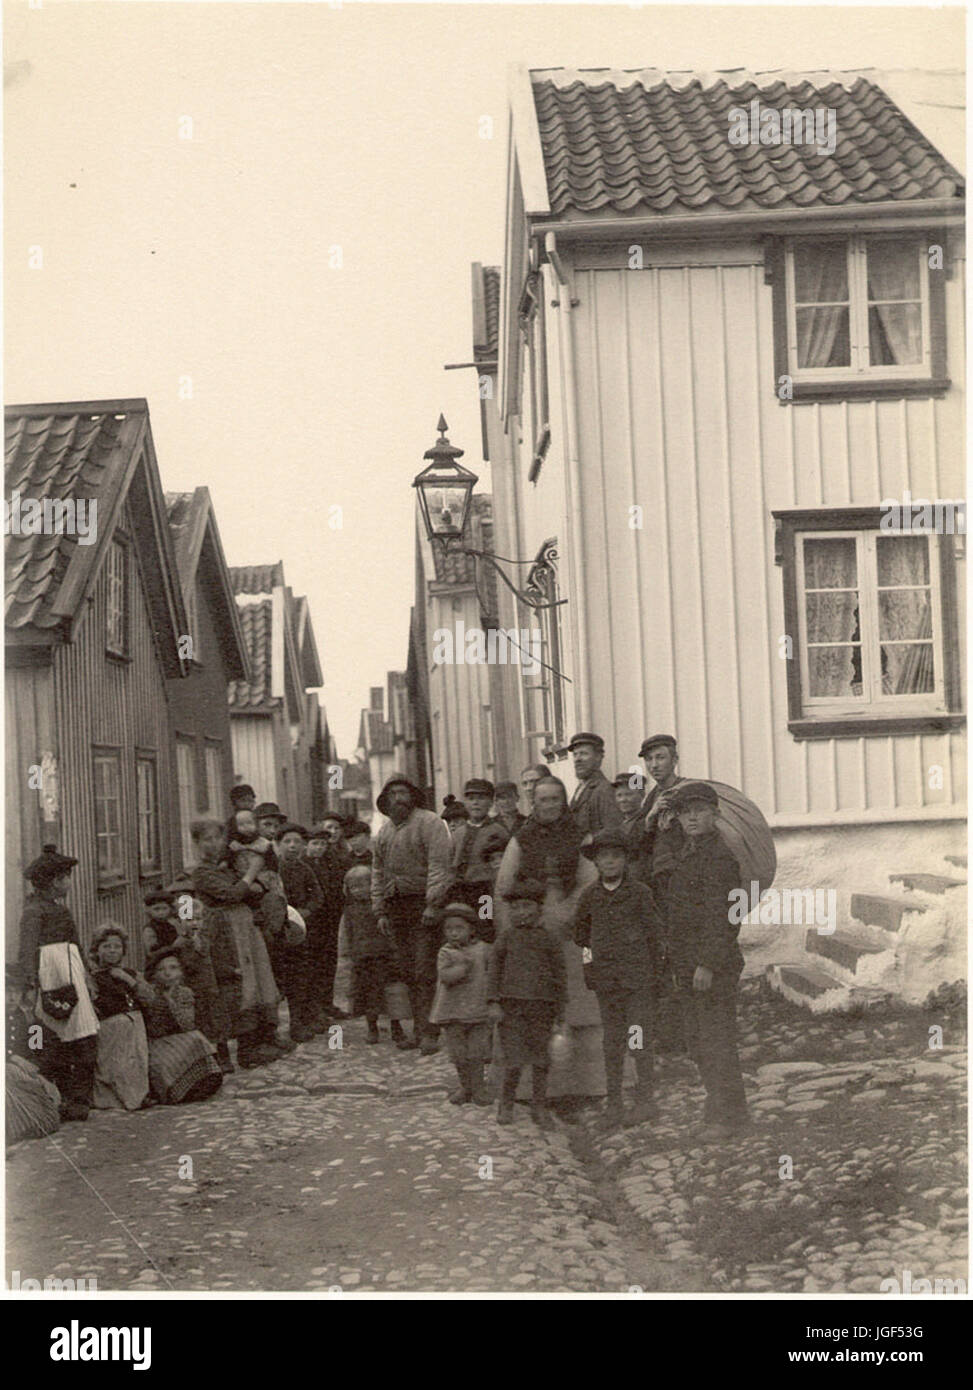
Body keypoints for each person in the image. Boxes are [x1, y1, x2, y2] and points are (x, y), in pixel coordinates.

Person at [493, 777, 602, 1109]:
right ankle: (531, 1090)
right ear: (534, 803)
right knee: (534, 1005)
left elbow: (591, 880)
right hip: (534, 933)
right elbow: (503, 887)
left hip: (572, 932)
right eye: (543, 799)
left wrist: (572, 911)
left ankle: (587, 1085)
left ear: (564, 801)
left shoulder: (580, 836)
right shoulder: (521, 840)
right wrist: (519, 927)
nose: (550, 805)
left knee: (577, 1002)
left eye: (556, 798)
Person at [666, 782, 748, 1140]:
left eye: (700, 810)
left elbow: (725, 916)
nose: (692, 817)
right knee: (698, 1040)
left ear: (715, 814)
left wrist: (708, 964)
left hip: (712, 966)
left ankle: (728, 1117)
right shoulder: (690, 852)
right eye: (686, 812)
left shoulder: (721, 858)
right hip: (687, 962)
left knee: (716, 1039)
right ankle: (722, 1107)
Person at [574, 829, 663, 1132]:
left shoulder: (640, 893)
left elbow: (655, 936)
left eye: (616, 856)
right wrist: (591, 968)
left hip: (638, 981)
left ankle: (645, 1099)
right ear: (595, 862)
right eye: (603, 857)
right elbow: (582, 939)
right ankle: (614, 1103)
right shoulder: (589, 897)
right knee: (612, 1041)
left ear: (625, 860)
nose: (610, 862)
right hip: (607, 982)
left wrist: (655, 975)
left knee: (638, 1037)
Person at [190, 820, 284, 1069]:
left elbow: (250, 890)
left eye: (217, 838)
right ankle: (236, 1053)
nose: (213, 844)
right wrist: (251, 872)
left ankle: (254, 1044)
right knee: (237, 985)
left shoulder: (223, 868)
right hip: (225, 931)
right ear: (197, 843)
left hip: (244, 927)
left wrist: (245, 884)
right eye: (206, 840)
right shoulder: (201, 872)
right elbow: (232, 894)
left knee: (256, 980)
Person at [17, 845, 99, 1122]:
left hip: (70, 972)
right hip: (50, 976)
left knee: (84, 1034)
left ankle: (81, 1098)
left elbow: (75, 943)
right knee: (55, 1037)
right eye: (66, 878)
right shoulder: (34, 912)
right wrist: (29, 984)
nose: (68, 882)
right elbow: (27, 950)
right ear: (54, 882)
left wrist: (86, 974)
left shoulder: (60, 909)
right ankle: (62, 1097)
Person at [371, 776, 452, 1055]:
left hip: (422, 905)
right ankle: (418, 1030)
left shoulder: (430, 823)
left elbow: (439, 865)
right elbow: (377, 872)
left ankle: (430, 1031)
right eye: (392, 793)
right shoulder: (384, 833)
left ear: (413, 796)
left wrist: (433, 903)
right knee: (407, 972)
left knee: (424, 969)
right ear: (385, 800)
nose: (398, 798)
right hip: (396, 908)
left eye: (403, 792)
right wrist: (380, 909)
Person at [488, 875, 566, 1130]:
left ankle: (539, 1106)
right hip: (512, 1008)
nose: (521, 912)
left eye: (527, 906)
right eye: (516, 907)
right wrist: (493, 1002)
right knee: (514, 1060)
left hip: (542, 1007)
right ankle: (506, 1103)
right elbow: (494, 971)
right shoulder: (506, 938)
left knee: (542, 1060)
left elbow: (560, 975)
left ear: (538, 909)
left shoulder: (550, 939)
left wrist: (560, 1010)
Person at [150, 877, 233, 1071]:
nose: (182, 898)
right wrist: (183, 939)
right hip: (190, 983)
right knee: (196, 1021)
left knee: (214, 1020)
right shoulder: (175, 921)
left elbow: (202, 944)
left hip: (207, 984)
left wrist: (192, 937)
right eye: (178, 895)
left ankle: (222, 1057)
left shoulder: (196, 919)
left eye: (185, 894)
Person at [429, 903, 492, 1106]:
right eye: (449, 929)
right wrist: (463, 967)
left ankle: (479, 1088)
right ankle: (465, 1087)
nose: (454, 933)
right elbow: (446, 976)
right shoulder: (445, 952)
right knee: (459, 1055)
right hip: (452, 1012)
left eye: (459, 928)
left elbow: (494, 967)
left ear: (472, 929)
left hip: (477, 1009)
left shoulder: (483, 949)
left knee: (477, 1053)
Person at [338, 864, 408, 1046]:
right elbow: (347, 934)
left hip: (384, 956)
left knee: (391, 993)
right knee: (368, 993)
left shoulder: (381, 907)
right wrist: (348, 956)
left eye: (364, 885)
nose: (359, 890)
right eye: (354, 887)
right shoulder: (350, 910)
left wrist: (395, 951)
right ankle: (372, 1027)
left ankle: (396, 1026)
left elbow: (391, 930)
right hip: (363, 959)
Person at [141, 952, 224, 1105]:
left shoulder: (185, 993)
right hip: (157, 1044)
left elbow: (186, 1024)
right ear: (154, 975)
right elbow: (153, 1027)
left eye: (173, 968)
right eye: (161, 970)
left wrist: (170, 1001)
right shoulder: (149, 993)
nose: (168, 973)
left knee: (197, 1040)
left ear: (181, 972)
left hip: (180, 1042)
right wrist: (162, 999)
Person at [89, 925, 152, 1111]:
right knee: (114, 1064)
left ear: (123, 950)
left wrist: (127, 979)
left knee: (137, 1061)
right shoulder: (93, 976)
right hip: (110, 1026)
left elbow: (149, 997)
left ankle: (138, 1097)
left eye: (117, 946)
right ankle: (113, 1100)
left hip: (135, 1023)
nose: (112, 951)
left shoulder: (131, 974)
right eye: (106, 946)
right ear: (97, 950)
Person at [275, 822, 323, 1042]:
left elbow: (317, 897)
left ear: (303, 846)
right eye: (287, 842)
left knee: (301, 977)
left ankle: (300, 1021)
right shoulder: (273, 870)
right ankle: (272, 1030)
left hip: (300, 932)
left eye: (297, 842)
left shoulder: (305, 869)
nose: (292, 846)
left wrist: (304, 912)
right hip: (276, 932)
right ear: (278, 845)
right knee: (279, 980)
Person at [6, 963, 62, 1144]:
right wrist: (11, 1057)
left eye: (16, 991)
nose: (11, 997)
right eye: (5, 991)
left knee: (46, 1119)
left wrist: (39, 1073)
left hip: (24, 1077)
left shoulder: (30, 1022)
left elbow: (37, 1051)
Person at [306, 819, 351, 1027]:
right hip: (311, 921)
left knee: (329, 961)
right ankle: (314, 1008)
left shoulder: (331, 862)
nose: (319, 848)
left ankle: (327, 1002)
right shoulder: (303, 865)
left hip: (329, 919)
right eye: (315, 844)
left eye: (323, 844)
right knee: (313, 964)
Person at [449, 778, 509, 929]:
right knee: (461, 927)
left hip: (485, 892)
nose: (475, 803)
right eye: (471, 799)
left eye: (481, 798)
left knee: (485, 925)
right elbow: (450, 862)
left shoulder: (498, 831)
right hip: (460, 891)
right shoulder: (458, 833)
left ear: (491, 802)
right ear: (465, 803)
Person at [638, 734, 686, 904]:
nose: (654, 765)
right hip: (657, 880)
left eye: (660, 758)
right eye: (649, 759)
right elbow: (641, 844)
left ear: (675, 760)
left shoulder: (686, 792)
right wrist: (650, 818)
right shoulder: (651, 798)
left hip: (681, 882)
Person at [567, 733, 622, 840]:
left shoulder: (604, 790)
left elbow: (614, 830)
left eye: (583, 754)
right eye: (575, 754)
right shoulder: (581, 788)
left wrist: (590, 840)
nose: (577, 759)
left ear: (598, 757)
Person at [612, 772, 653, 883]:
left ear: (641, 795)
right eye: (619, 795)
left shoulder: (647, 823)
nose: (623, 800)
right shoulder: (620, 826)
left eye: (628, 794)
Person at [142, 887, 178, 957]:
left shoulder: (172, 925)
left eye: (164, 908)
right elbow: (152, 953)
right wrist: (174, 946)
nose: (161, 913)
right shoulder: (150, 929)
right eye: (156, 909)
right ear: (149, 910)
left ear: (170, 909)